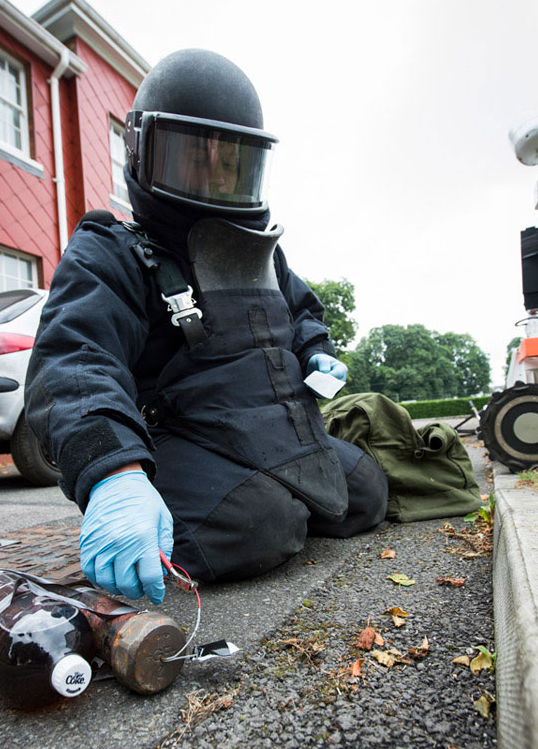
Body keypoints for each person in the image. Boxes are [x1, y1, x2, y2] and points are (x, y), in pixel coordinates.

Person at [24, 49, 388, 604]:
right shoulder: (110, 251)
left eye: (230, 162)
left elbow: (302, 313)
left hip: (268, 428)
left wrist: (316, 350)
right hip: (183, 434)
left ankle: (267, 497)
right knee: (261, 524)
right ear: (144, 151)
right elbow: (74, 362)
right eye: (194, 157)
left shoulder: (263, 255)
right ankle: (140, 510)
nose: (214, 175)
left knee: (365, 492)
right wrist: (112, 473)